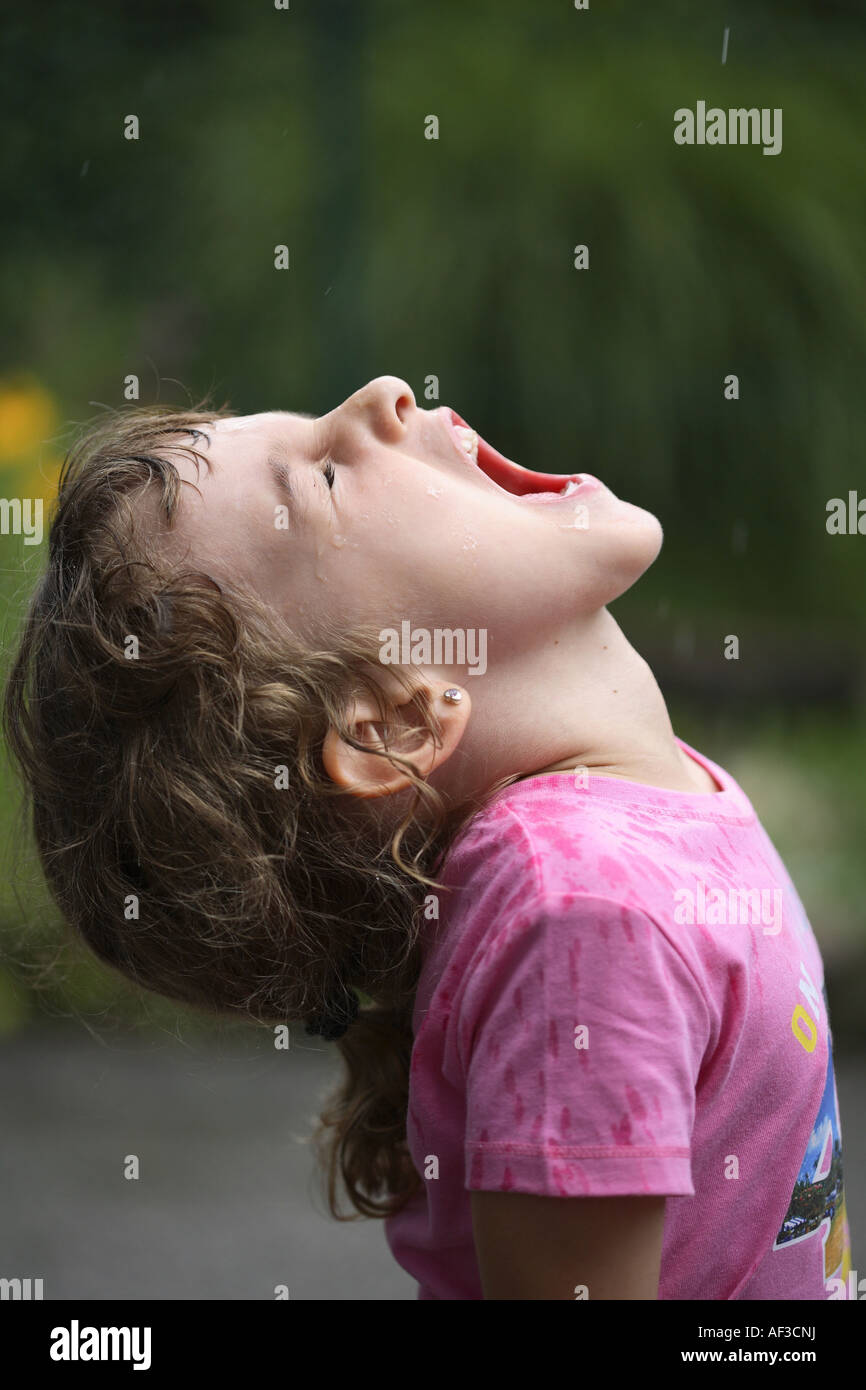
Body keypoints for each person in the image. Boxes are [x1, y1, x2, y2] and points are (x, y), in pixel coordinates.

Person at [3, 375, 851, 1299]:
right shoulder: (582, 910)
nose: (383, 393)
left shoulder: (639, 822)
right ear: (389, 725)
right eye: (323, 478)